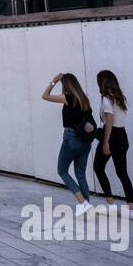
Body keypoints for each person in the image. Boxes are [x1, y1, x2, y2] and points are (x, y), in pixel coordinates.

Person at [41, 72, 96, 216]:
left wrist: (53, 81)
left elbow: (45, 96)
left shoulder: (67, 98)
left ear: (66, 85)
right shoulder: (85, 99)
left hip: (71, 138)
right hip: (86, 141)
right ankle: (87, 205)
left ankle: (82, 202)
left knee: (62, 170)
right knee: (80, 174)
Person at [93, 70, 133, 220]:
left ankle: (110, 204)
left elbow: (109, 121)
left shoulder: (106, 99)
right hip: (122, 136)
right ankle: (131, 210)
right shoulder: (119, 98)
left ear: (103, 82)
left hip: (111, 135)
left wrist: (105, 142)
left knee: (98, 168)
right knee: (122, 172)